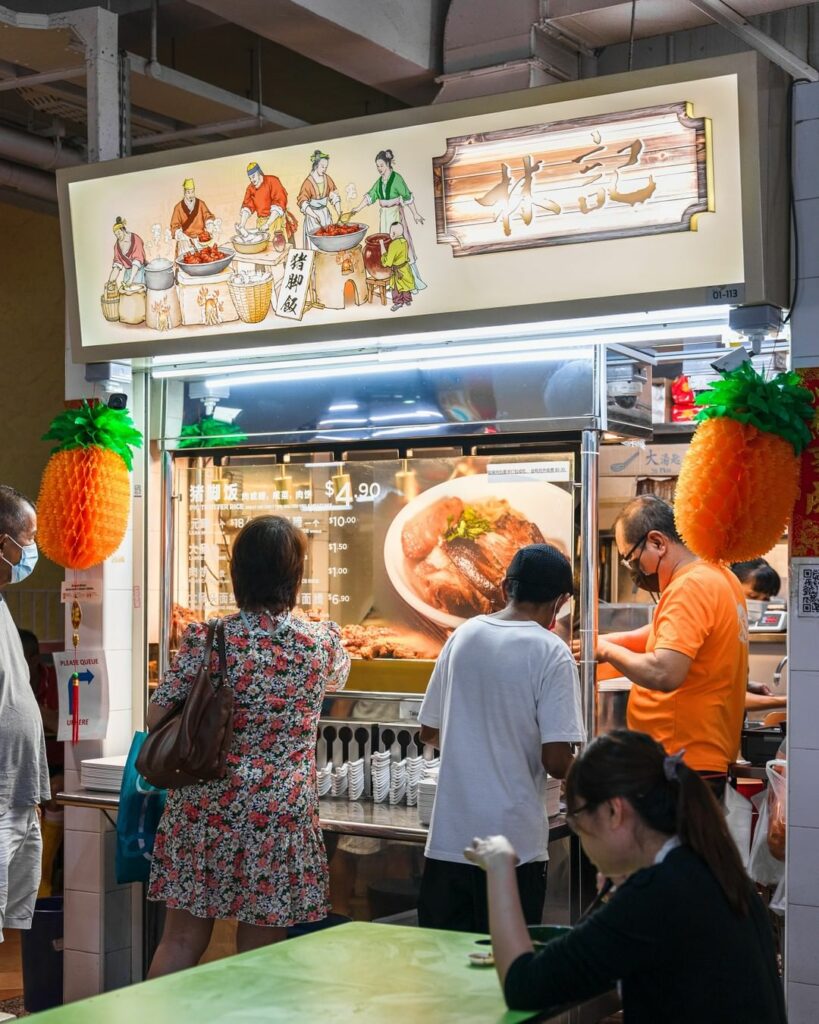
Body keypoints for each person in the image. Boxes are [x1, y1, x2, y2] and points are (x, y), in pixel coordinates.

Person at [146, 515, 350, 977]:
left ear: (237, 572)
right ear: (295, 575)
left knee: (180, 939)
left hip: (205, 807)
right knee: (262, 955)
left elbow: (157, 717)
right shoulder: (322, 644)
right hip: (278, 814)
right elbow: (337, 680)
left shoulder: (208, 639)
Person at [466, 730, 786, 1023]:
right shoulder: (707, 864)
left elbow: (525, 986)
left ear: (614, 812)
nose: (582, 839)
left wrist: (499, 866)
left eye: (578, 823)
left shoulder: (656, 894)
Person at [417, 544, 585, 933]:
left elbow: (429, 731)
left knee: (445, 971)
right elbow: (557, 760)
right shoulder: (552, 652)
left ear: (507, 585)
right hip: (513, 850)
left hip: (450, 844)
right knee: (503, 975)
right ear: (560, 600)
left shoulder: (463, 635)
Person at [597, 495, 748, 796]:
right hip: (697, 759)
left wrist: (605, 651)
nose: (634, 570)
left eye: (630, 558)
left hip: (681, 761)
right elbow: (665, 632)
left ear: (657, 542)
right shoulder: (719, 576)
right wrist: (606, 639)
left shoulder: (689, 586)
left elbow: (665, 672)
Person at [0, 485, 49, 944]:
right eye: (29, 539)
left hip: (17, 792)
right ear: (4, 543)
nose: (33, 550)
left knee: (8, 918)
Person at [18, 629, 64, 897]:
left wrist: (26, 704)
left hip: (55, 766)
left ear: (35, 659)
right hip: (19, 766)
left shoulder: (57, 681)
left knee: (56, 793)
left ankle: (40, 884)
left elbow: (60, 722)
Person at [351, 149, 426, 291]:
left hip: (395, 216)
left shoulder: (397, 178)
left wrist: (415, 214)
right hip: (384, 216)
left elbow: (407, 197)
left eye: (381, 165)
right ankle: (393, 284)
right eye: (377, 166)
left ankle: (409, 283)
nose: (379, 169)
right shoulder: (379, 182)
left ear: (388, 164)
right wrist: (357, 208)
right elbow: (370, 196)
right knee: (385, 247)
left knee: (399, 248)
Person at [238, 162, 297, 245]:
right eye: (250, 178)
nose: (252, 180)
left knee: (278, 247)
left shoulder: (272, 181)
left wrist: (268, 224)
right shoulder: (250, 188)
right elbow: (247, 206)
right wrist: (242, 224)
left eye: (253, 176)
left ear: (259, 173)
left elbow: (279, 202)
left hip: (276, 221)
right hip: (261, 223)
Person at [297, 150, 341, 248]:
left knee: (329, 243)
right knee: (315, 246)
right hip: (313, 218)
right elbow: (303, 202)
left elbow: (334, 196)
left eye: (326, 167)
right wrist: (314, 215)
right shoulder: (308, 182)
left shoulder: (327, 179)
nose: (324, 169)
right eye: (322, 166)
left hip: (325, 216)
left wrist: (339, 212)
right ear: (316, 165)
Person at [170, 177, 216, 257]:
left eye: (192, 192)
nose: (191, 195)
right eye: (188, 192)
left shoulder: (201, 204)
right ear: (184, 192)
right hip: (185, 241)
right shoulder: (178, 207)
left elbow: (208, 216)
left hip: (201, 240)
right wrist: (181, 235)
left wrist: (209, 225)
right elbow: (174, 226)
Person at [379, 222, 415, 311]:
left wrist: (382, 245)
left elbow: (388, 262)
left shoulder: (393, 244)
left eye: (390, 232)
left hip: (397, 270)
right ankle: (407, 300)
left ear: (393, 233)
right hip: (405, 268)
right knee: (406, 285)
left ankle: (398, 303)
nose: (390, 234)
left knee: (396, 287)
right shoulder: (404, 241)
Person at [108, 216, 146, 289]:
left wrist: (131, 279)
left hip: (138, 272)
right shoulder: (117, 246)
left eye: (119, 233)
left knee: (138, 294)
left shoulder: (135, 239)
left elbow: (137, 260)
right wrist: (110, 281)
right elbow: (117, 265)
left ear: (123, 230)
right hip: (127, 273)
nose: (118, 236)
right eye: (115, 235)